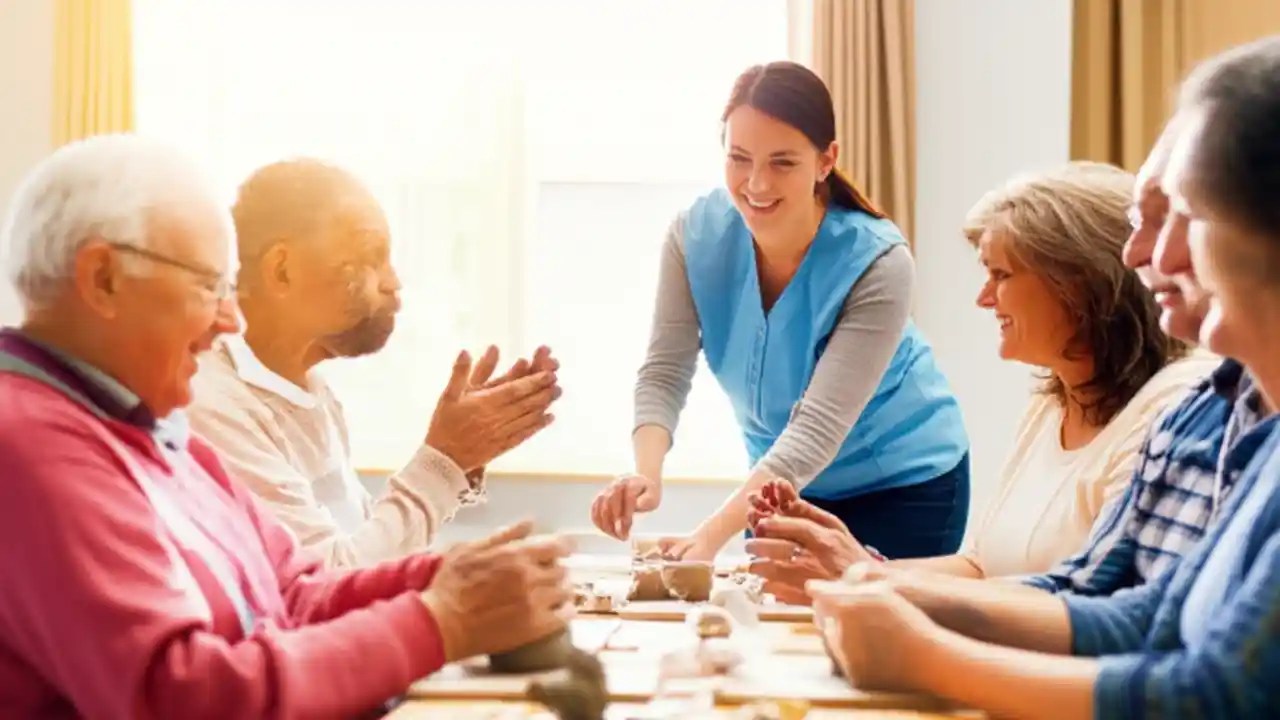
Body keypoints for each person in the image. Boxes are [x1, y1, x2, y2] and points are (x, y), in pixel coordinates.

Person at [0, 134, 573, 718]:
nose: (229, 320)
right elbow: (178, 696)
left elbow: (294, 593)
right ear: (103, 279)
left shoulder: (153, 434)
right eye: (209, 287)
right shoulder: (30, 448)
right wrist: (442, 619)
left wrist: (450, 577)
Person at [808, 37, 1280, 719]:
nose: (1156, 255)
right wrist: (882, 589)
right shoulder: (1248, 424)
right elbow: (1143, 616)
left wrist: (925, 655)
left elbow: (1217, 695)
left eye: (1192, 216)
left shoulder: (1191, 405)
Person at [744, 162, 1213, 601]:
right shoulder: (1052, 406)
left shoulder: (1169, 409)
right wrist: (847, 561)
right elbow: (980, 567)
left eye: (1001, 274)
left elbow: (1094, 608)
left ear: (1081, 282)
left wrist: (864, 578)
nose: (984, 299)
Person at [591, 61, 971, 561]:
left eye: (782, 162)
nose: (756, 184)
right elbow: (665, 369)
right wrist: (647, 474)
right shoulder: (694, 238)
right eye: (740, 159)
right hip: (781, 487)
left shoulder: (878, 262)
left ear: (825, 160)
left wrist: (710, 536)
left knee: (866, 631)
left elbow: (816, 429)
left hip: (905, 488)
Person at [187, 159, 560, 568]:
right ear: (282, 270)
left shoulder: (311, 390)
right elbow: (331, 582)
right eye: (371, 257)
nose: (393, 282)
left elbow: (369, 552)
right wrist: (444, 461)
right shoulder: (209, 404)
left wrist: (460, 461)